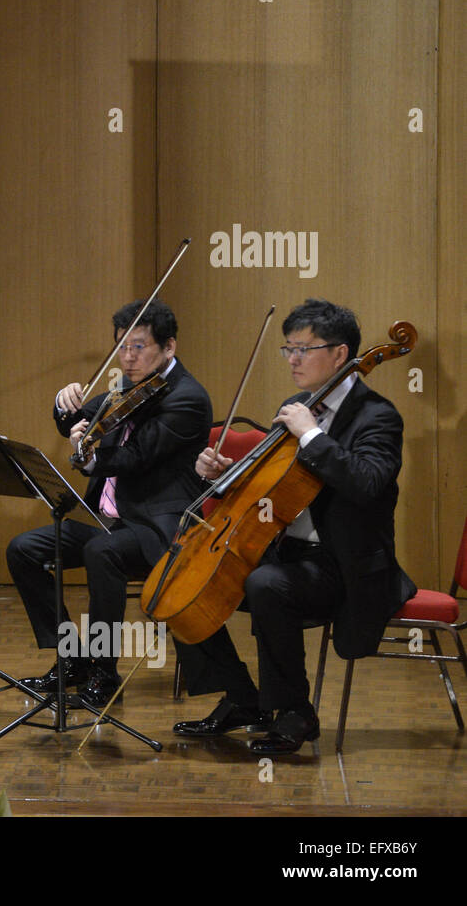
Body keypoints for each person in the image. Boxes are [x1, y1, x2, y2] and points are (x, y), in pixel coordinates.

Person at [171, 299, 416, 754]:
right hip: (287, 553)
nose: (293, 360)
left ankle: (295, 714)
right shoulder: (296, 405)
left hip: (346, 566)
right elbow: (272, 485)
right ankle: (244, 699)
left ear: (340, 355)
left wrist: (311, 435)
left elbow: (366, 483)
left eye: (304, 349)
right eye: (288, 349)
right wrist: (221, 473)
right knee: (179, 574)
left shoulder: (377, 416)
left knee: (267, 584)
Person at [6, 299, 211, 707]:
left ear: (168, 347)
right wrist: (63, 403)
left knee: (102, 551)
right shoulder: (128, 388)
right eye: (121, 347)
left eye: (138, 347)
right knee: (24, 550)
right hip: (106, 519)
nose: (128, 357)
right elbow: (80, 417)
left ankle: (103, 671)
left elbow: (137, 457)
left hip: (155, 526)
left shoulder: (187, 398)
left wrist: (89, 456)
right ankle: (72, 658)